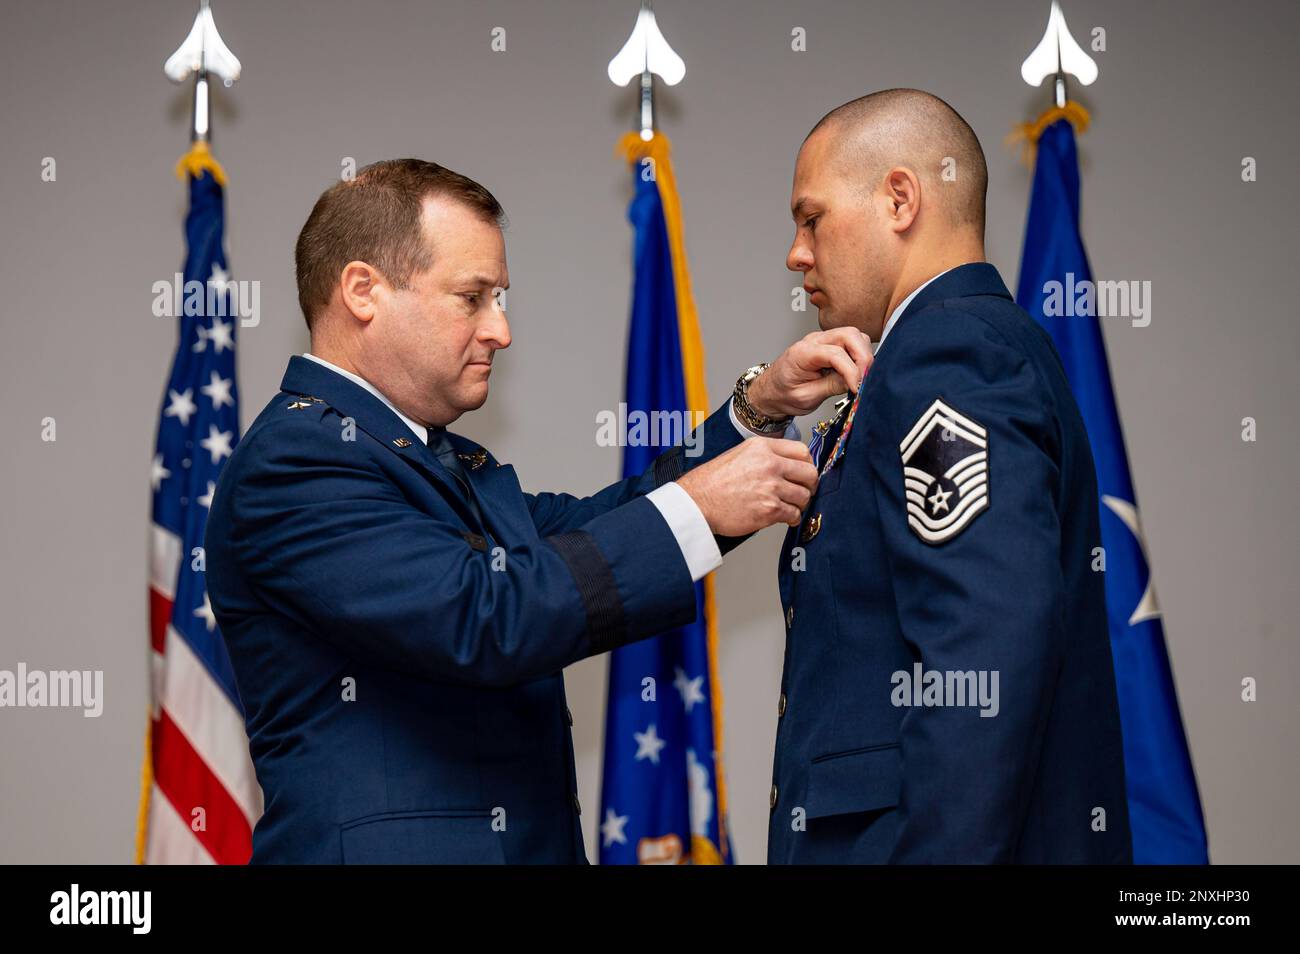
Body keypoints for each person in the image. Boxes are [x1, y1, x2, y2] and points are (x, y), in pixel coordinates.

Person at [204, 158, 856, 863]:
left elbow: (601, 526)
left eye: (500, 298)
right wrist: (698, 507)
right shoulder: (297, 460)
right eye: (471, 297)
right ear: (364, 290)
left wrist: (756, 411)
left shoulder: (436, 460)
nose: (500, 332)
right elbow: (485, 617)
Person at [747, 89, 1132, 863]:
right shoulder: (950, 350)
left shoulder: (945, 354)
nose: (795, 252)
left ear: (899, 199)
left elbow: (982, 655)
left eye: (811, 217)